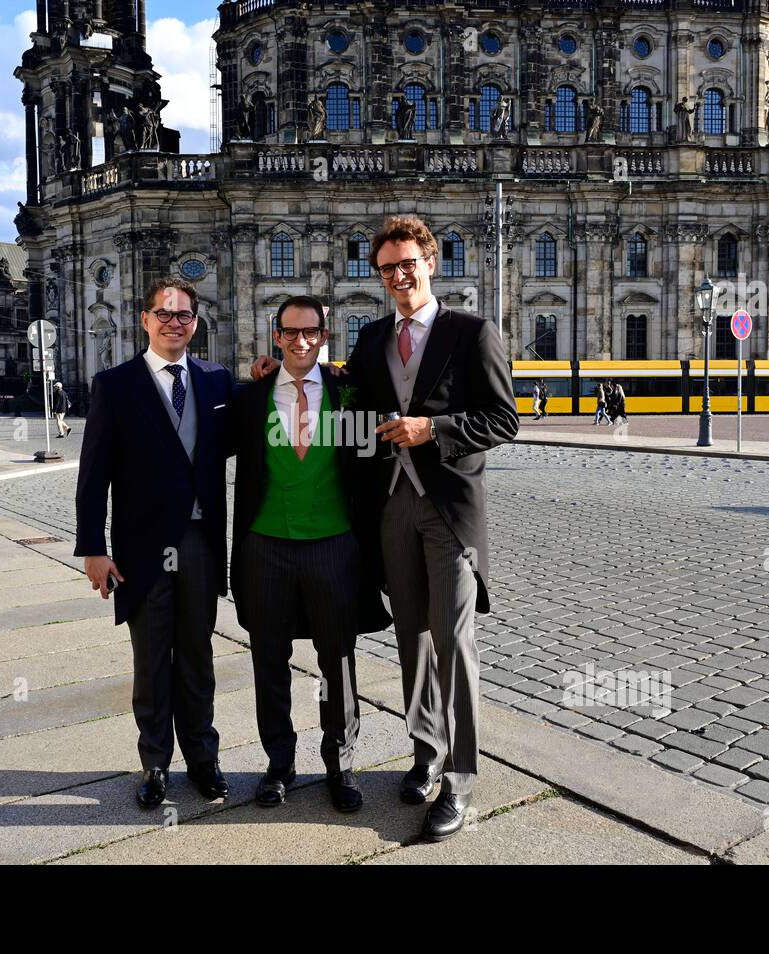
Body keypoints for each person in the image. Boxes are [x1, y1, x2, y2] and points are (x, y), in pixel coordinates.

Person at [252, 215, 519, 840]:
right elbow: (343, 384)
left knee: (454, 642)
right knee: (411, 642)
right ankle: (425, 754)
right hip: (390, 508)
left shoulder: (472, 332)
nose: (399, 276)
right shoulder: (373, 339)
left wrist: (434, 430)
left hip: (449, 508)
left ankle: (462, 779)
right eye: (387, 269)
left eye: (408, 264)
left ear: (430, 261)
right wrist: (282, 368)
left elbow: (503, 419)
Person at [75, 275, 233, 809]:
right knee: (151, 660)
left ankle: (204, 761)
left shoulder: (215, 381)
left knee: (197, 657)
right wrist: (93, 549)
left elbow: (253, 422)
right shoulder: (115, 385)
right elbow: (93, 475)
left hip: (199, 543)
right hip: (141, 550)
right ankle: (156, 765)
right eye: (163, 313)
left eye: (184, 315)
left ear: (196, 323)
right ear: (144, 320)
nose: (174, 322)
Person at [230, 295, 391, 812]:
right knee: (269, 659)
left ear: (324, 337)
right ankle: (279, 764)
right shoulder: (252, 398)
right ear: (275, 337)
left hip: (334, 546)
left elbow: (379, 452)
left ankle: (339, 764)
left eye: (311, 332)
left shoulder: (351, 393)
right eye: (290, 332)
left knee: (336, 661)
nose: (301, 341)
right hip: (265, 546)